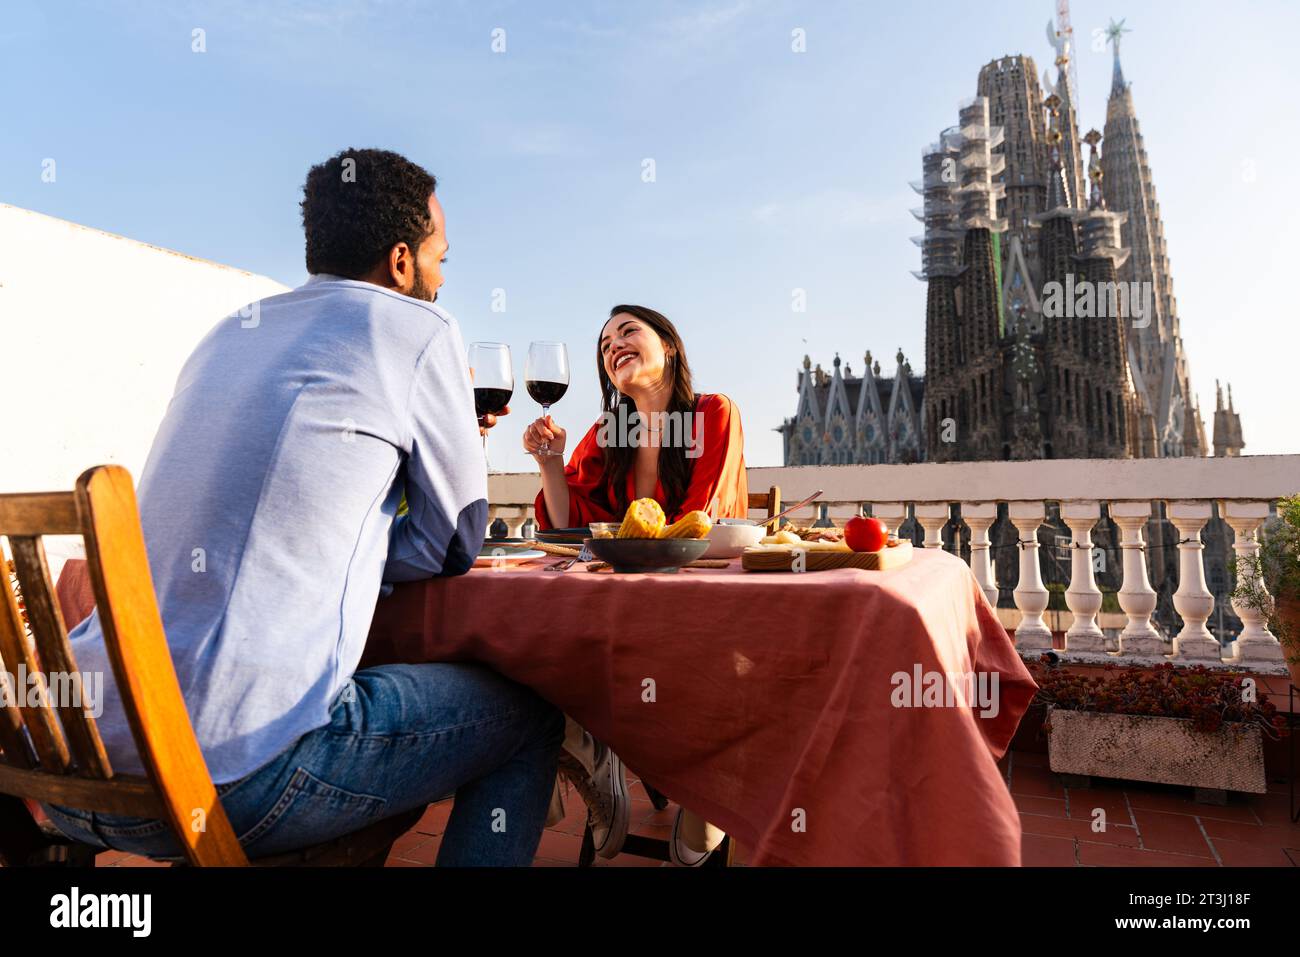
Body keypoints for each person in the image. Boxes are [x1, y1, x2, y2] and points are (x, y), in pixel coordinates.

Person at [44, 148, 564, 866]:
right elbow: (455, 542)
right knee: (527, 715)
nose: (444, 282)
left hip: (70, 767)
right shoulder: (419, 329)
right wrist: (370, 543)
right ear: (403, 261)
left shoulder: (231, 329)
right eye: (443, 260)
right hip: (221, 778)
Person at [523, 304, 746, 865]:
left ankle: (701, 784)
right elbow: (567, 530)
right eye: (604, 344)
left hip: (699, 619)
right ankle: (569, 745)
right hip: (619, 618)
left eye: (627, 331)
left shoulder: (712, 414)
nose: (613, 345)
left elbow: (703, 523)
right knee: (530, 631)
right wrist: (551, 464)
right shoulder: (607, 435)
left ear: (667, 345)